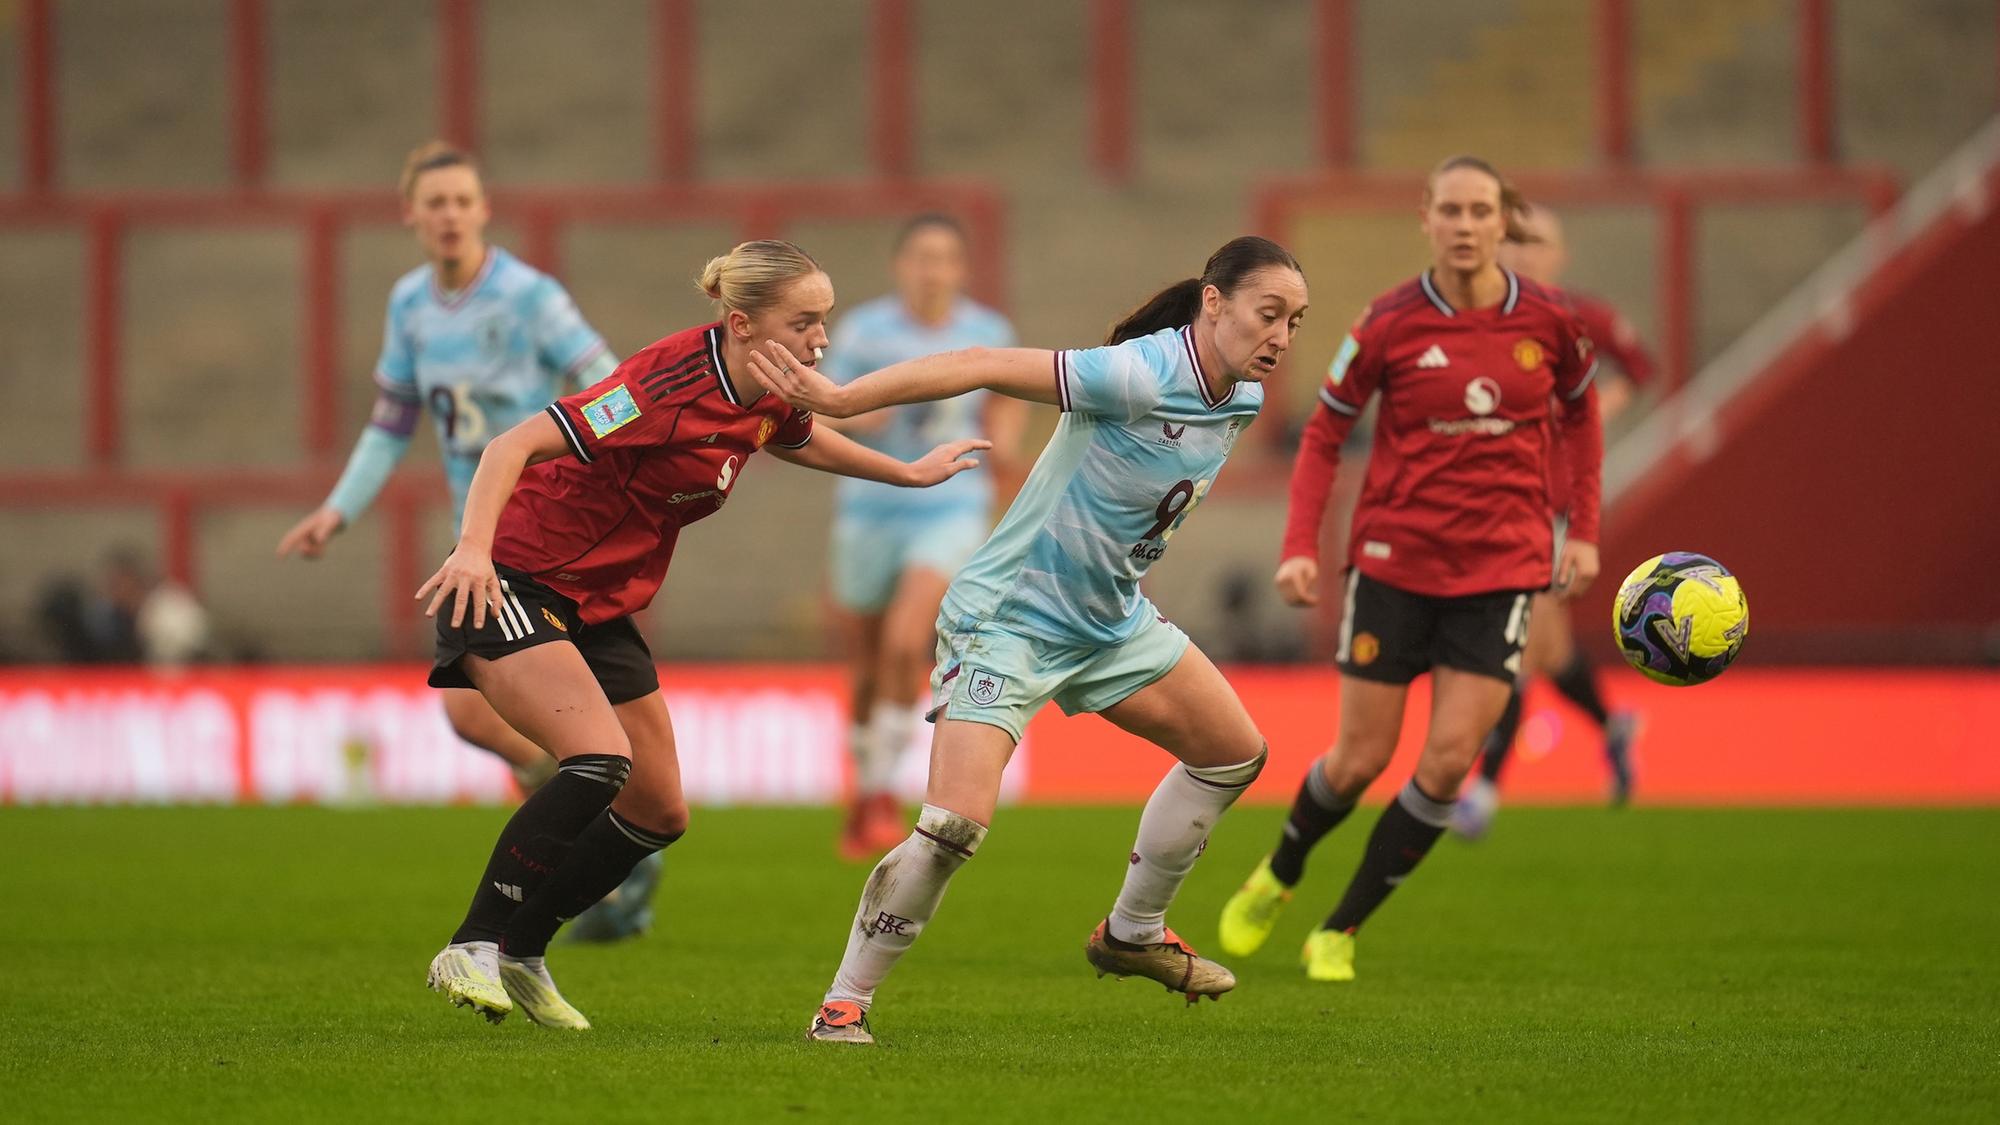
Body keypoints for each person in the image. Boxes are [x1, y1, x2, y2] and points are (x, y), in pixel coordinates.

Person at [744, 236, 1311, 1046]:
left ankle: (1132, 931)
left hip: (1109, 621)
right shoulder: (1138, 373)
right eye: (1269, 314)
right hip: (1008, 619)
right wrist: (838, 399)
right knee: (953, 828)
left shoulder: (1243, 398)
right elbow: (978, 360)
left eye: (1294, 321)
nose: (1283, 337)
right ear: (1214, 304)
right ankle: (843, 1001)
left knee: (1233, 751)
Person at [415, 239, 989, 1030]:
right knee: (599, 760)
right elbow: (512, 445)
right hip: (516, 575)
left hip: (597, 603)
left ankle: (522, 949)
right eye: (805, 321)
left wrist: (908, 470)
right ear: (742, 322)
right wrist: (473, 549)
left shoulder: (767, 385)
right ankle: (472, 943)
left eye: (826, 318)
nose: (822, 338)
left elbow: (794, 435)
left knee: (659, 809)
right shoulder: (660, 386)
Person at [1216, 156, 1602, 984]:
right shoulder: (1390, 322)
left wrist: (1583, 531)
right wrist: (1297, 545)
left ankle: (1341, 927)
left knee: (1448, 763)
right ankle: (1280, 871)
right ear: (1425, 219)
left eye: (1480, 211)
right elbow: (1323, 434)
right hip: (1394, 566)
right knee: (1359, 760)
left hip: (1502, 571)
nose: (1465, 226)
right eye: (1450, 210)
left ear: (1504, 223)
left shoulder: (1552, 323)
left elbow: (1581, 418)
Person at [271, 143, 661, 942]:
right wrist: (338, 511)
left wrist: (621, 471)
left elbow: (613, 382)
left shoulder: (529, 297)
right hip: (479, 540)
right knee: (474, 717)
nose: (449, 214)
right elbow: (391, 425)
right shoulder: (410, 304)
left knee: (496, 717)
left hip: (552, 535)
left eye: (461, 200)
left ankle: (607, 833)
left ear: (484, 210)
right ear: (409, 215)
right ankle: (606, 828)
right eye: (434, 202)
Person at [819, 214, 1025, 861]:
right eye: (920, 257)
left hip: (949, 504)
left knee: (912, 639)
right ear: (899, 264)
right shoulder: (863, 331)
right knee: (864, 666)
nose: (931, 270)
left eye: (944, 259)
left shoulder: (986, 333)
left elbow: (1012, 391)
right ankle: (863, 794)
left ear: (961, 269)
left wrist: (1007, 445)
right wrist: (866, 409)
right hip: (869, 506)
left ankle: (883, 795)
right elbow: (825, 401)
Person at [1453, 205, 1658, 837]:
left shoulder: (1582, 319)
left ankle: (1483, 792)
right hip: (1489, 507)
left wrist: (1590, 408)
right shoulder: (1480, 320)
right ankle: (1613, 726)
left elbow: (1640, 367)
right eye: (1514, 243)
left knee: (1511, 649)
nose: (1523, 254)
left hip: (1547, 513)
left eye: (1536, 244)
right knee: (1549, 651)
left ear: (1559, 256)